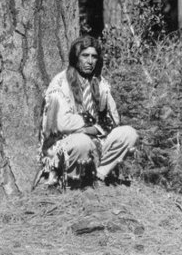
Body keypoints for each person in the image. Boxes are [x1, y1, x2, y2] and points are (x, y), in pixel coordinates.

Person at [38, 35, 138, 189]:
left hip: (97, 142)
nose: (90, 61)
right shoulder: (59, 85)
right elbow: (59, 124)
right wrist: (92, 123)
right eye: (85, 55)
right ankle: (72, 183)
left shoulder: (101, 84)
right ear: (76, 57)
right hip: (64, 145)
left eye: (94, 56)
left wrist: (89, 127)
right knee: (81, 141)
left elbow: (113, 120)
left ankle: (100, 176)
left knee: (129, 133)